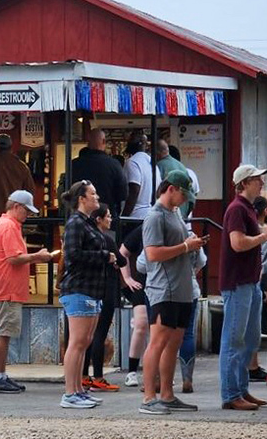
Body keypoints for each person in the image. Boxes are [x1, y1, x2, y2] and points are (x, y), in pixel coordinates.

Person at [139, 171, 205, 415]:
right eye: (182, 193)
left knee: (173, 344)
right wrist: (186, 246)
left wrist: (191, 244)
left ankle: (167, 394)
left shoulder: (175, 213)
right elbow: (153, 254)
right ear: (171, 189)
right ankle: (148, 397)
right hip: (163, 289)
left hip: (181, 288)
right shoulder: (154, 216)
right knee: (157, 342)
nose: (184, 199)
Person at [0, 190, 56, 394]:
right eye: (26, 210)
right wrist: (38, 256)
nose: (28, 215)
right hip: (6, 288)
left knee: (4, 332)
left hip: (5, 287)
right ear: (16, 207)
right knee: (3, 332)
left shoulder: (6, 224)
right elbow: (13, 258)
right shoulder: (8, 226)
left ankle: (0, 374)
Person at [59, 182, 115, 409]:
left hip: (92, 288)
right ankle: (69, 392)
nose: (97, 197)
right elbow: (72, 254)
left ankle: (79, 389)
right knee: (77, 342)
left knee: (84, 342)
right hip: (79, 287)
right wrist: (104, 256)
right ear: (82, 198)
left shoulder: (88, 223)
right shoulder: (75, 223)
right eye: (93, 193)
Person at [219, 164, 267, 411]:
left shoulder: (246, 208)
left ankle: (241, 389)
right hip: (238, 283)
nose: (261, 182)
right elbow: (237, 244)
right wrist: (262, 236)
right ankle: (230, 393)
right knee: (234, 340)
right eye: (257, 178)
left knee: (249, 339)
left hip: (250, 282)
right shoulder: (237, 209)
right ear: (245, 182)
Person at [81, 203, 126, 391]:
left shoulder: (88, 238)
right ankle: (98, 376)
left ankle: (84, 375)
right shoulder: (106, 240)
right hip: (106, 287)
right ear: (98, 219)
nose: (110, 219)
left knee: (87, 335)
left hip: (90, 288)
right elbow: (122, 261)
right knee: (99, 333)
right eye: (107, 216)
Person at [71, 128, 128, 220]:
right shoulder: (114, 164)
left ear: (88, 143)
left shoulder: (74, 165)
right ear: (104, 141)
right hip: (106, 218)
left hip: (81, 218)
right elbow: (123, 194)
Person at [177, 222, 207, 393]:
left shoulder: (161, 232)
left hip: (166, 289)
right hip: (190, 288)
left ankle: (159, 380)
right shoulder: (192, 236)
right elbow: (202, 261)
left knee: (163, 336)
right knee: (187, 334)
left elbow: (142, 265)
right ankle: (187, 378)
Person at [118, 224, 148, 387]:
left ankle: (159, 372)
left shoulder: (175, 226)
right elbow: (123, 252)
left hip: (165, 282)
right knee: (140, 325)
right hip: (143, 282)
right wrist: (128, 278)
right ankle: (132, 371)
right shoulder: (144, 228)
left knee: (162, 329)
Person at [248, 195, 267, 382]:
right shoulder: (262, 232)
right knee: (253, 327)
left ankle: (251, 365)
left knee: (252, 327)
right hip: (258, 280)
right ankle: (251, 365)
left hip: (252, 280)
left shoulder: (249, 230)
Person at [122, 134, 161, 221]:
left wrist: (124, 217)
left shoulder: (132, 163)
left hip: (136, 216)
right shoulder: (153, 164)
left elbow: (134, 190)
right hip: (152, 214)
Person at [157, 140, 194, 218]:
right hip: (181, 218)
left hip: (166, 216)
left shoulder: (159, 166)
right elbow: (192, 198)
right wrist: (185, 216)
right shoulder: (182, 166)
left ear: (157, 153)